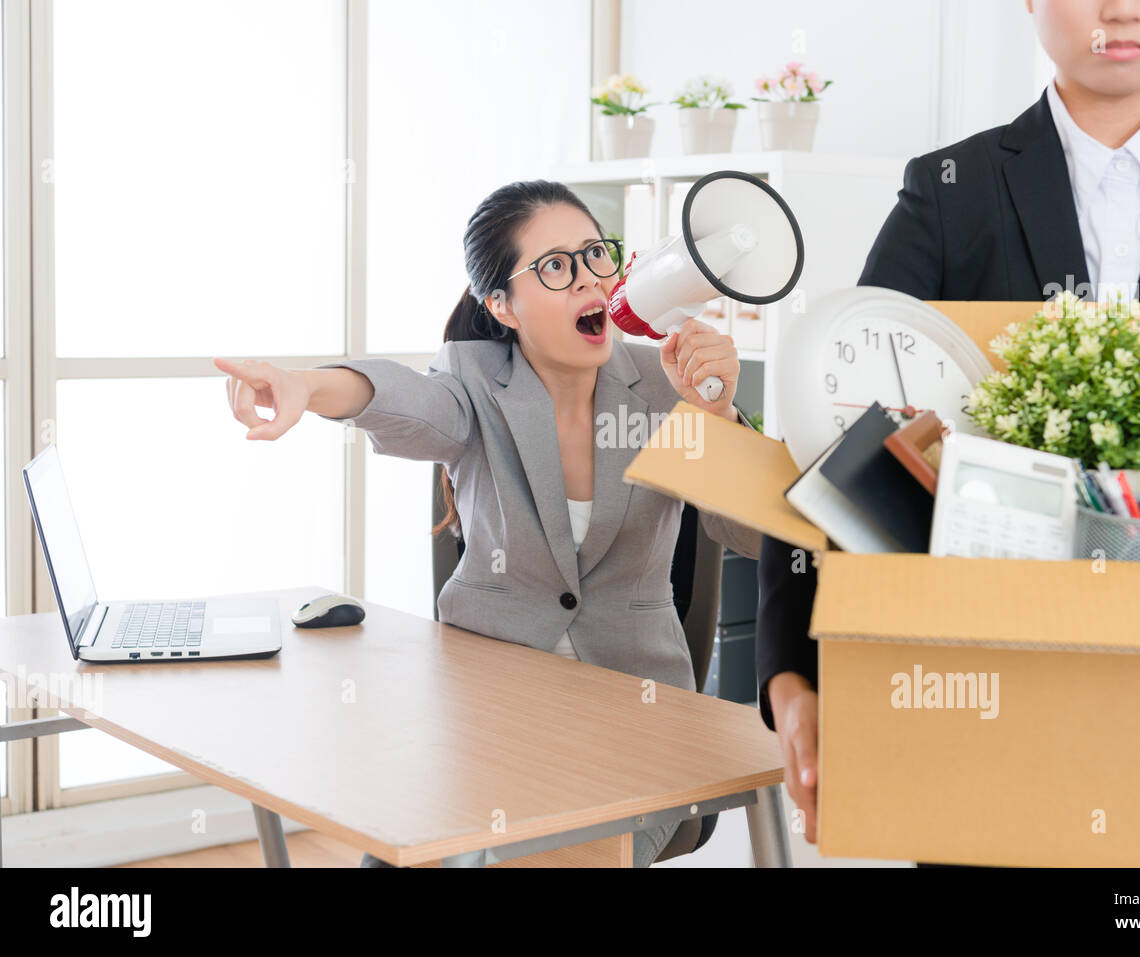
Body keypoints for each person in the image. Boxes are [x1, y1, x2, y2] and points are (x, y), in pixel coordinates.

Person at [758, 0, 1140, 856]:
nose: (1122, 8)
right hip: (987, 695)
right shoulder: (949, 190)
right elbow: (832, 430)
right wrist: (794, 669)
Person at [214, 179, 762, 868]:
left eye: (596, 255)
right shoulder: (473, 382)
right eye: (556, 267)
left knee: (548, 851)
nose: (588, 278)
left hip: (635, 719)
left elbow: (753, 536)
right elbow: (397, 397)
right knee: (415, 845)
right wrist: (306, 384)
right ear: (501, 305)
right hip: (489, 717)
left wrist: (717, 419)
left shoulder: (665, 384)